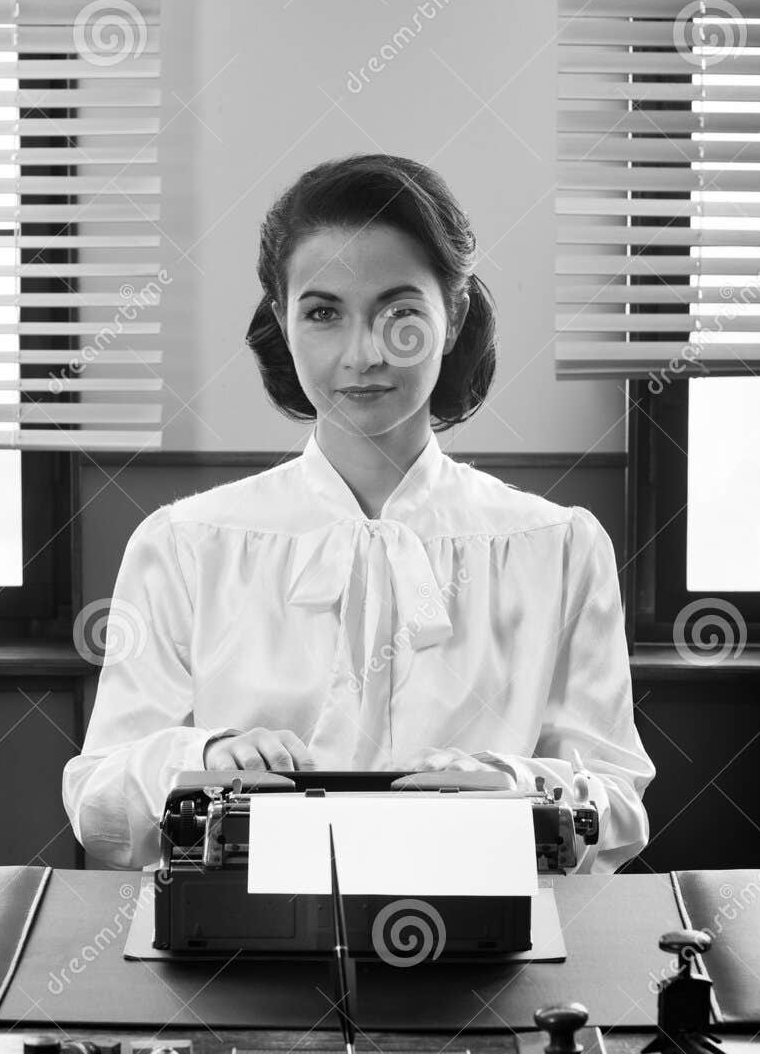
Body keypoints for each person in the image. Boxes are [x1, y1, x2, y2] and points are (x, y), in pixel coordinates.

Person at [62, 153, 654, 872]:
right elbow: (99, 804)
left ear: (454, 312)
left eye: (399, 312)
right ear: (282, 320)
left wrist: (512, 789)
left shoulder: (557, 547)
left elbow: (619, 810)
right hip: (238, 955)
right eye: (322, 313)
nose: (364, 353)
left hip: (493, 953)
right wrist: (205, 760)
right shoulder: (184, 544)